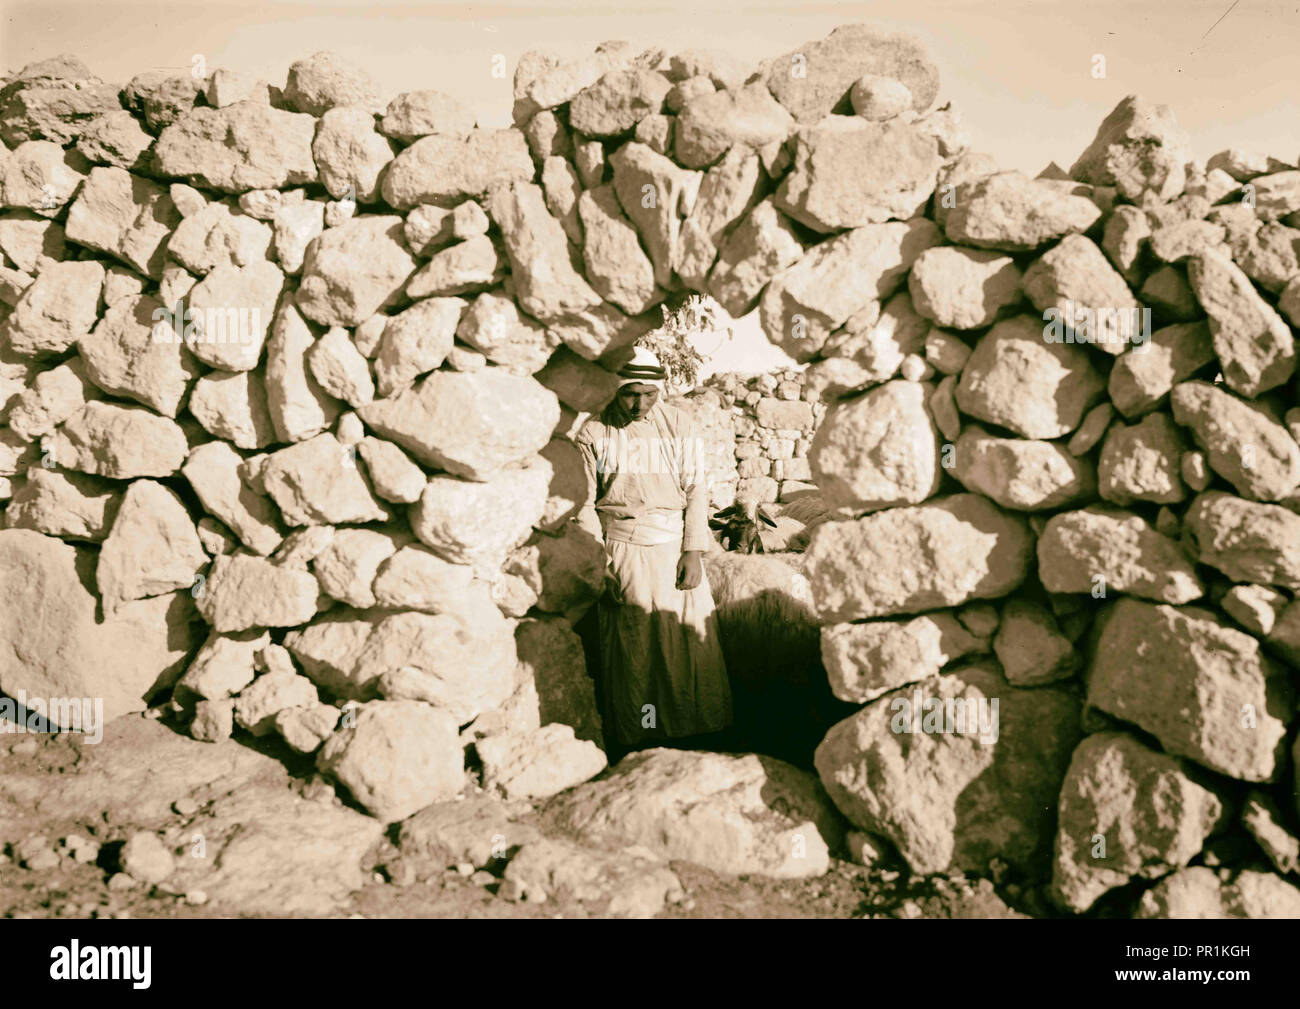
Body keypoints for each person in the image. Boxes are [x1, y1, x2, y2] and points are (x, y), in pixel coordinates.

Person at [575, 346, 733, 756]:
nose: (639, 404)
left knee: (686, 643)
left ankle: (696, 735)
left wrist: (694, 551)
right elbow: (585, 503)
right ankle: (640, 739)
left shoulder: (680, 423)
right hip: (622, 550)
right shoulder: (594, 431)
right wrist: (600, 564)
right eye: (630, 393)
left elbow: (697, 488)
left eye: (649, 394)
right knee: (634, 649)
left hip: (674, 549)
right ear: (616, 388)